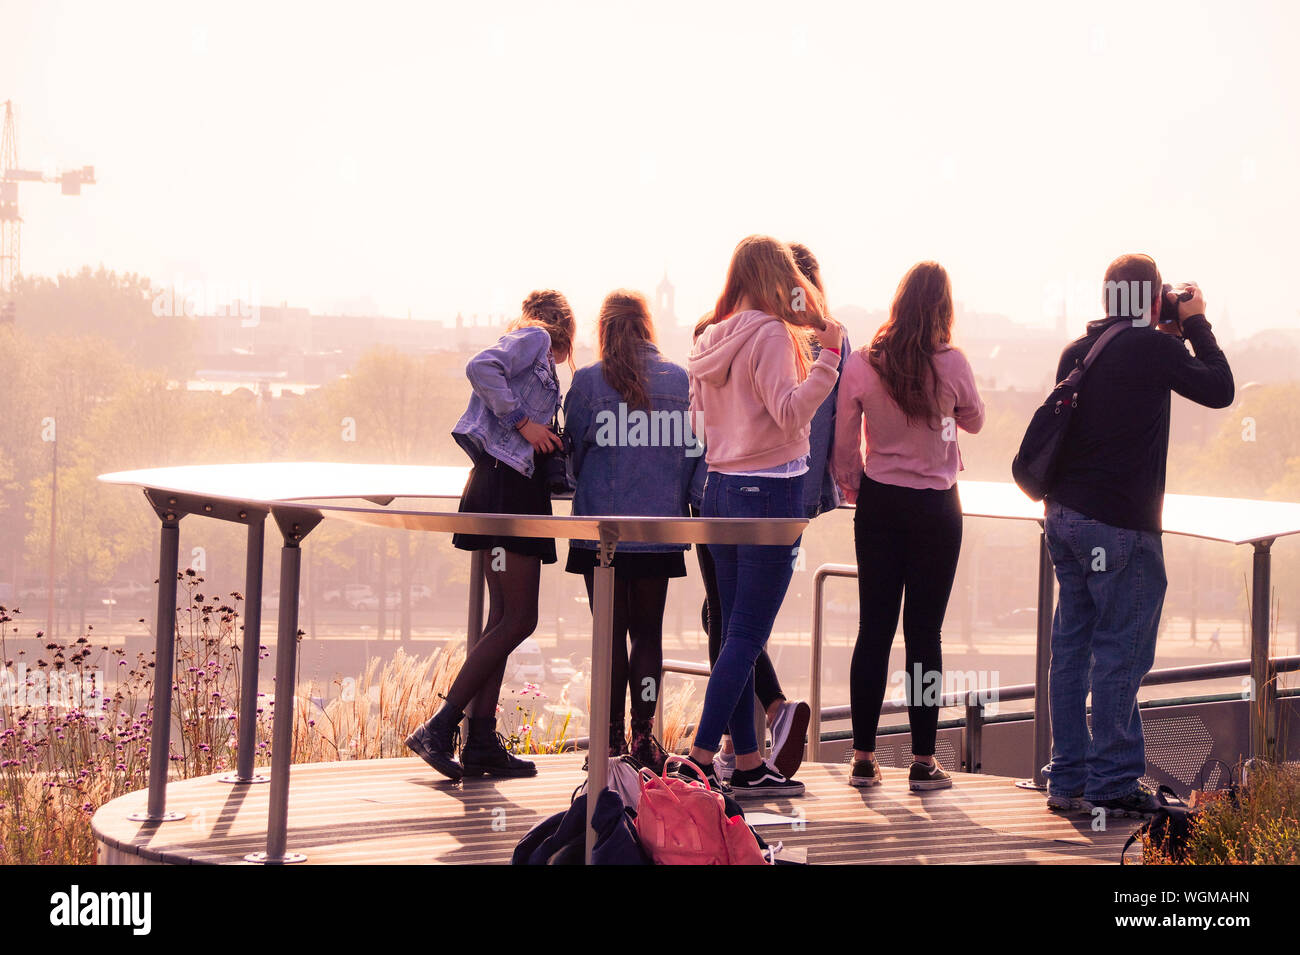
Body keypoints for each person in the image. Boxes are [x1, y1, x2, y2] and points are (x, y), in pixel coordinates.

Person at [1040, 254, 1233, 816]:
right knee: (1121, 651)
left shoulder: (1080, 350)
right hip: (1121, 525)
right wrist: (1195, 323)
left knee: (1072, 650)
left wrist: (1163, 327)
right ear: (1152, 299)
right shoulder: (1154, 349)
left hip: (1065, 519)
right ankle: (1114, 782)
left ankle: (1068, 780)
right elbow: (1220, 388)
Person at [684, 235, 842, 799]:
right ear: (779, 277)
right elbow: (790, 411)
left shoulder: (709, 338)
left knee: (731, 631)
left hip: (720, 490)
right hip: (770, 493)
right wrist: (829, 359)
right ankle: (700, 757)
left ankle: (748, 761)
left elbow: (699, 425)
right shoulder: (772, 334)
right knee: (745, 636)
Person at [406, 290, 576, 780]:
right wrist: (525, 424)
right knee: (519, 617)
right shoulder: (535, 337)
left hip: (502, 485)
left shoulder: (532, 346)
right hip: (507, 489)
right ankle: (440, 727)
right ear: (561, 323)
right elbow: (481, 367)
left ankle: (480, 740)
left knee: (502, 617)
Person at [833, 261, 985, 791]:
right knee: (925, 634)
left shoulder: (862, 362)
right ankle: (923, 760)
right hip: (937, 509)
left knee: (872, 630)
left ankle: (863, 755)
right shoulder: (952, 362)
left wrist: (855, 485)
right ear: (943, 308)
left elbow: (843, 442)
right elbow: (975, 419)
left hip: (879, 505)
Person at [563, 289, 697, 772]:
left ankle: (608, 740)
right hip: (658, 527)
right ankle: (643, 738)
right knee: (648, 633)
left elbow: (573, 449)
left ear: (604, 329)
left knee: (609, 634)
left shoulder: (586, 382)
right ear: (647, 326)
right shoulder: (679, 380)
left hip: (601, 528)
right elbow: (692, 453)